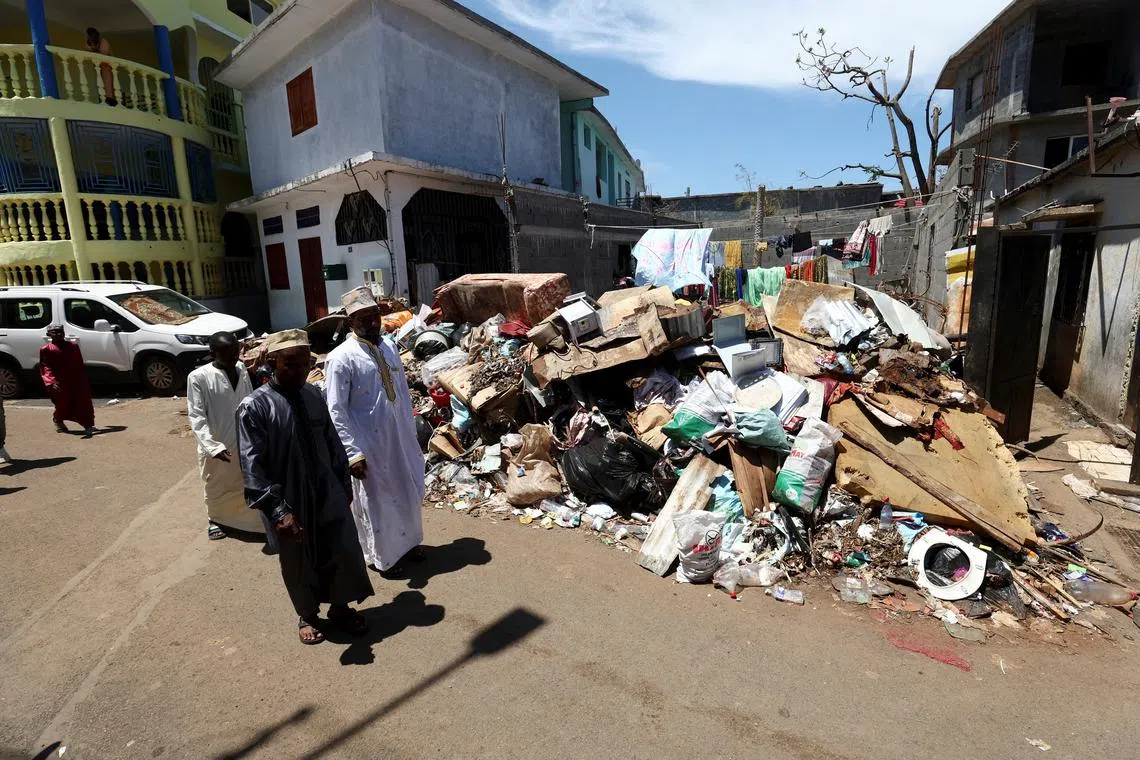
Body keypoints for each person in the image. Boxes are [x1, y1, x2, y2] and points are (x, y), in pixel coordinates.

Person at [236, 329, 373, 645]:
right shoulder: (254, 407)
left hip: (327, 489)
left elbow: (332, 441)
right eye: (291, 364)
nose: (299, 371)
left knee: (340, 548)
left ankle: (340, 607)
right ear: (273, 362)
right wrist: (277, 510)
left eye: (304, 364)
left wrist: (343, 482)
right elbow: (252, 466)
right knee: (298, 558)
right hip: (287, 497)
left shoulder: (313, 395)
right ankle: (308, 615)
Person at [325, 287, 425, 573]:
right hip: (369, 444)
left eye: (374, 315)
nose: (371, 323)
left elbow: (402, 392)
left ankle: (408, 544)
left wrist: (410, 431)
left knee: (407, 489)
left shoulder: (389, 347)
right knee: (377, 501)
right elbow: (336, 409)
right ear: (350, 322)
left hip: (400, 437)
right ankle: (384, 558)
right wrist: (352, 453)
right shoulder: (341, 358)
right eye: (363, 318)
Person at [187, 332, 265, 540]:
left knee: (244, 483)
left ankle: (249, 523)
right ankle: (215, 519)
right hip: (217, 444)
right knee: (217, 485)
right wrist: (212, 447)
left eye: (235, 352)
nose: (233, 357)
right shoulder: (198, 377)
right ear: (213, 353)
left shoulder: (241, 369)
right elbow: (196, 415)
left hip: (244, 440)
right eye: (227, 353)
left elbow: (249, 401)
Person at [40, 325, 95, 436]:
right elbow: (45, 366)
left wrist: (83, 379)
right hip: (59, 381)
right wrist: (51, 381)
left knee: (83, 402)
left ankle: (88, 424)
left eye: (60, 331)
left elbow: (79, 363)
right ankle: (58, 420)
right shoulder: (46, 349)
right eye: (55, 332)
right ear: (49, 334)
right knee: (63, 403)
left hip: (76, 379)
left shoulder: (73, 346)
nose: (58, 334)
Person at [85, 27, 117, 106]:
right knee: (101, 83)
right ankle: (104, 99)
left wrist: (92, 49)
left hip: (107, 66)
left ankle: (111, 99)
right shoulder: (89, 43)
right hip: (98, 67)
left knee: (109, 83)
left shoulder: (102, 41)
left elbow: (104, 53)